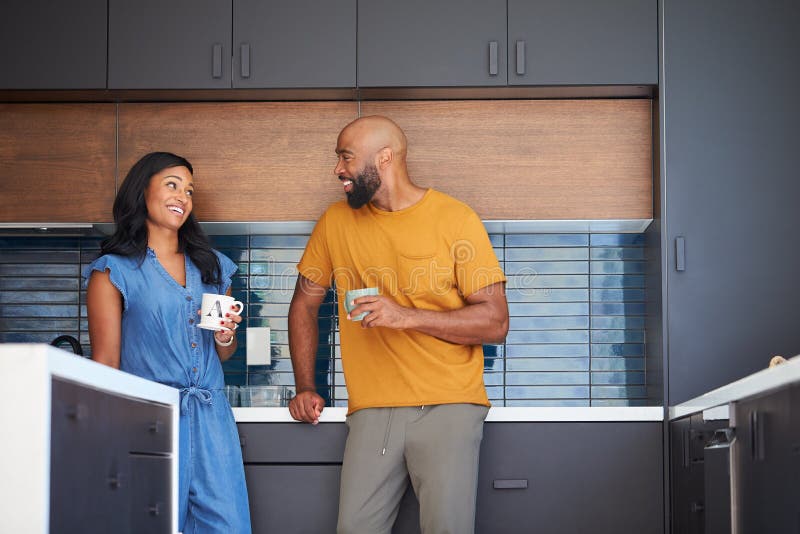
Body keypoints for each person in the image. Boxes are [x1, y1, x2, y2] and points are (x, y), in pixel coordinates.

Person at [288, 116, 509, 533]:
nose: (338, 170)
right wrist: (305, 385)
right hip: (372, 410)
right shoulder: (335, 222)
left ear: (384, 158)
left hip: (449, 405)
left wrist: (403, 315)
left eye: (346, 157)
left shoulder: (456, 219)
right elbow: (303, 303)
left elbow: (496, 321)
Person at [84, 152, 251, 533]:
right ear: (142, 191)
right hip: (147, 420)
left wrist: (226, 335)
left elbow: (224, 351)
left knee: (227, 525)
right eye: (172, 185)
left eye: (189, 190)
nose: (183, 197)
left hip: (211, 421)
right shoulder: (113, 271)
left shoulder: (213, 266)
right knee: (150, 523)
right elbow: (105, 362)